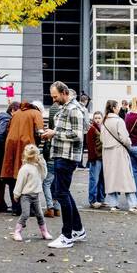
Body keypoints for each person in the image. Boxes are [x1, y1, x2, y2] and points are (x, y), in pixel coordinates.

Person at [43, 81, 87, 249]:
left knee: (61, 193)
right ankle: (78, 229)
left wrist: (55, 133)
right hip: (62, 155)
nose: (54, 99)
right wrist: (51, 134)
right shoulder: (66, 108)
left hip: (67, 157)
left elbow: (77, 135)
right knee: (63, 193)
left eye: (55, 96)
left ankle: (67, 235)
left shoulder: (73, 109)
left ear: (64, 93)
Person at [0, 101, 39, 216]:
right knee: (28, 179)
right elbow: (39, 131)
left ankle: (16, 207)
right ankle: (28, 209)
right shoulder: (35, 113)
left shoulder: (16, 114)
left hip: (11, 150)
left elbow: (7, 130)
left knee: (13, 178)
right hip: (26, 150)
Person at [99, 100, 137, 212]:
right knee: (127, 178)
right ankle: (132, 204)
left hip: (107, 152)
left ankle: (113, 204)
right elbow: (124, 138)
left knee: (111, 179)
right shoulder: (119, 121)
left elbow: (101, 138)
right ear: (114, 108)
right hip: (119, 151)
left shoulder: (104, 121)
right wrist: (129, 145)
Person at [11, 144, 50, 242]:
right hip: (26, 196)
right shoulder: (25, 169)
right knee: (25, 214)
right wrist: (17, 194)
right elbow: (20, 182)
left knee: (40, 214)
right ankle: (17, 232)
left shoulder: (37, 167)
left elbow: (44, 175)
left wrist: (43, 163)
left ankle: (44, 231)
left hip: (36, 195)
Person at [85, 111, 105, 209]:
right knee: (94, 179)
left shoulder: (102, 128)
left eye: (99, 118)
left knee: (101, 180)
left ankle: (100, 199)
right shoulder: (92, 129)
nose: (97, 120)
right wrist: (92, 158)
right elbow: (90, 145)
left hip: (102, 158)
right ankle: (92, 200)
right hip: (95, 158)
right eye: (95, 118)